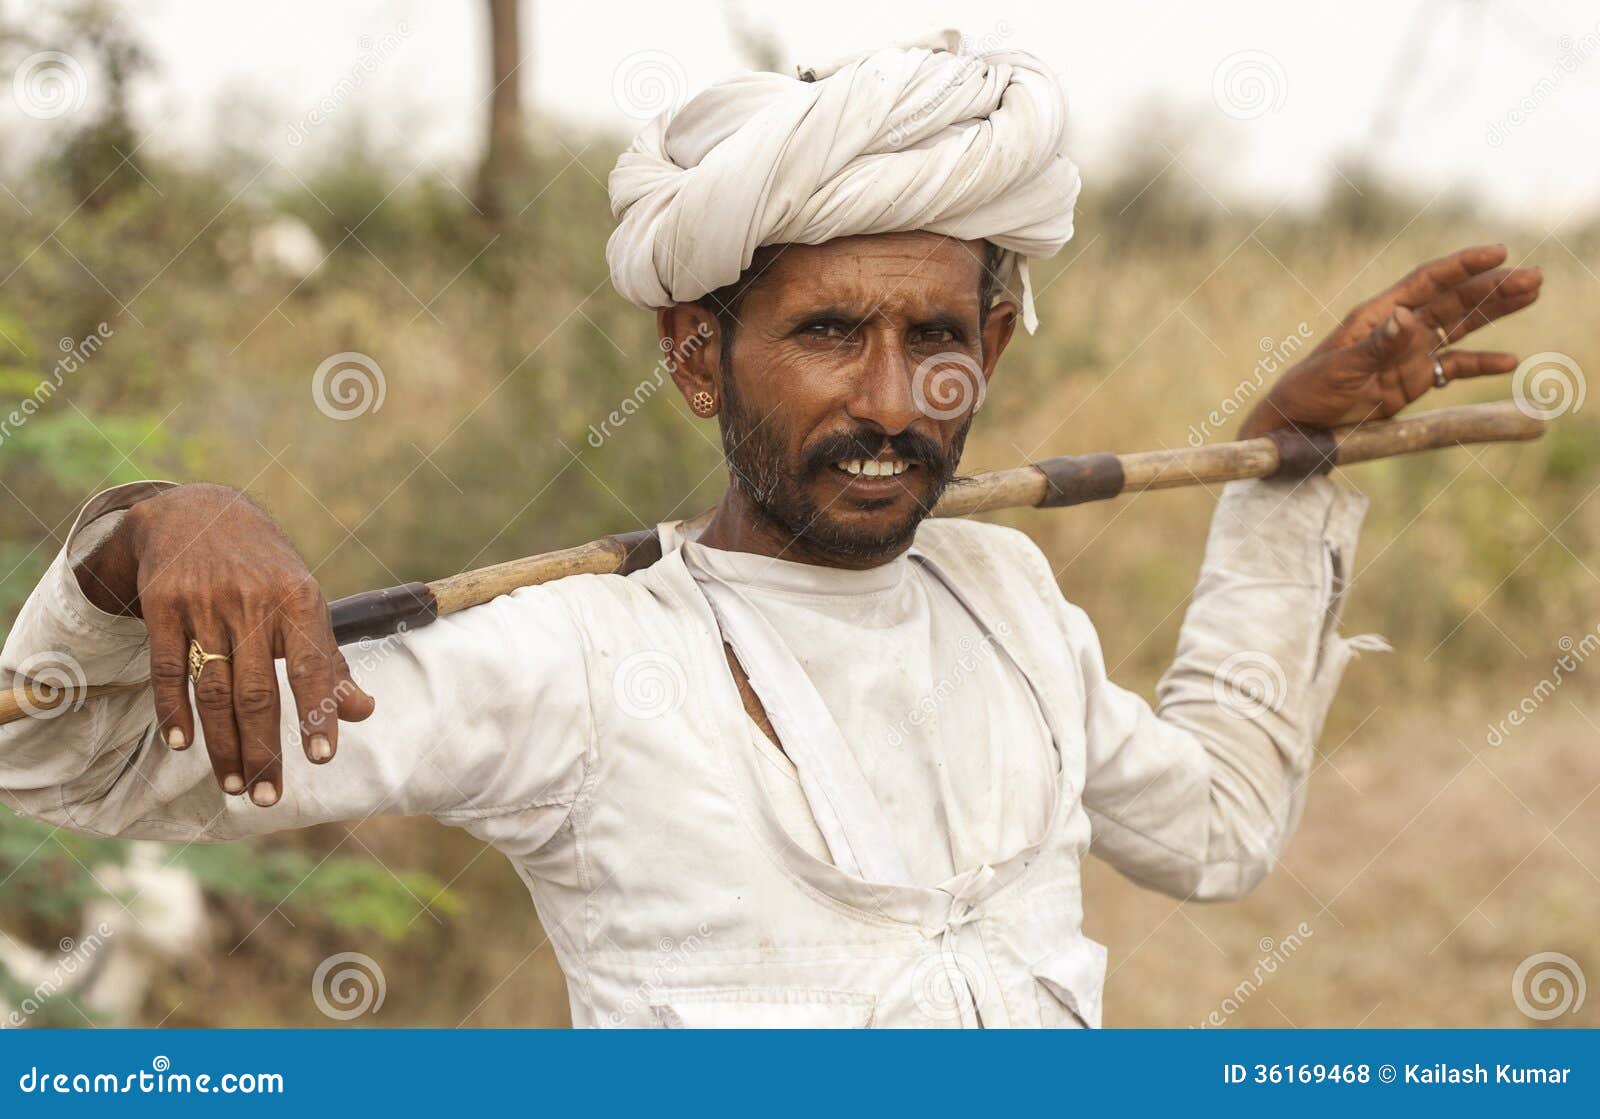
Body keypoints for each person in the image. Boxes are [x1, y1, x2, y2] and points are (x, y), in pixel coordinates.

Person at [0, 32, 1542, 1027]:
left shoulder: (1007, 597)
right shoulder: (573, 665)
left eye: (936, 336)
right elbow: (56, 757)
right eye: (825, 335)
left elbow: (1212, 836)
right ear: (693, 356)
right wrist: (152, 530)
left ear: (992, 349)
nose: (892, 401)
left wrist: (1291, 465)